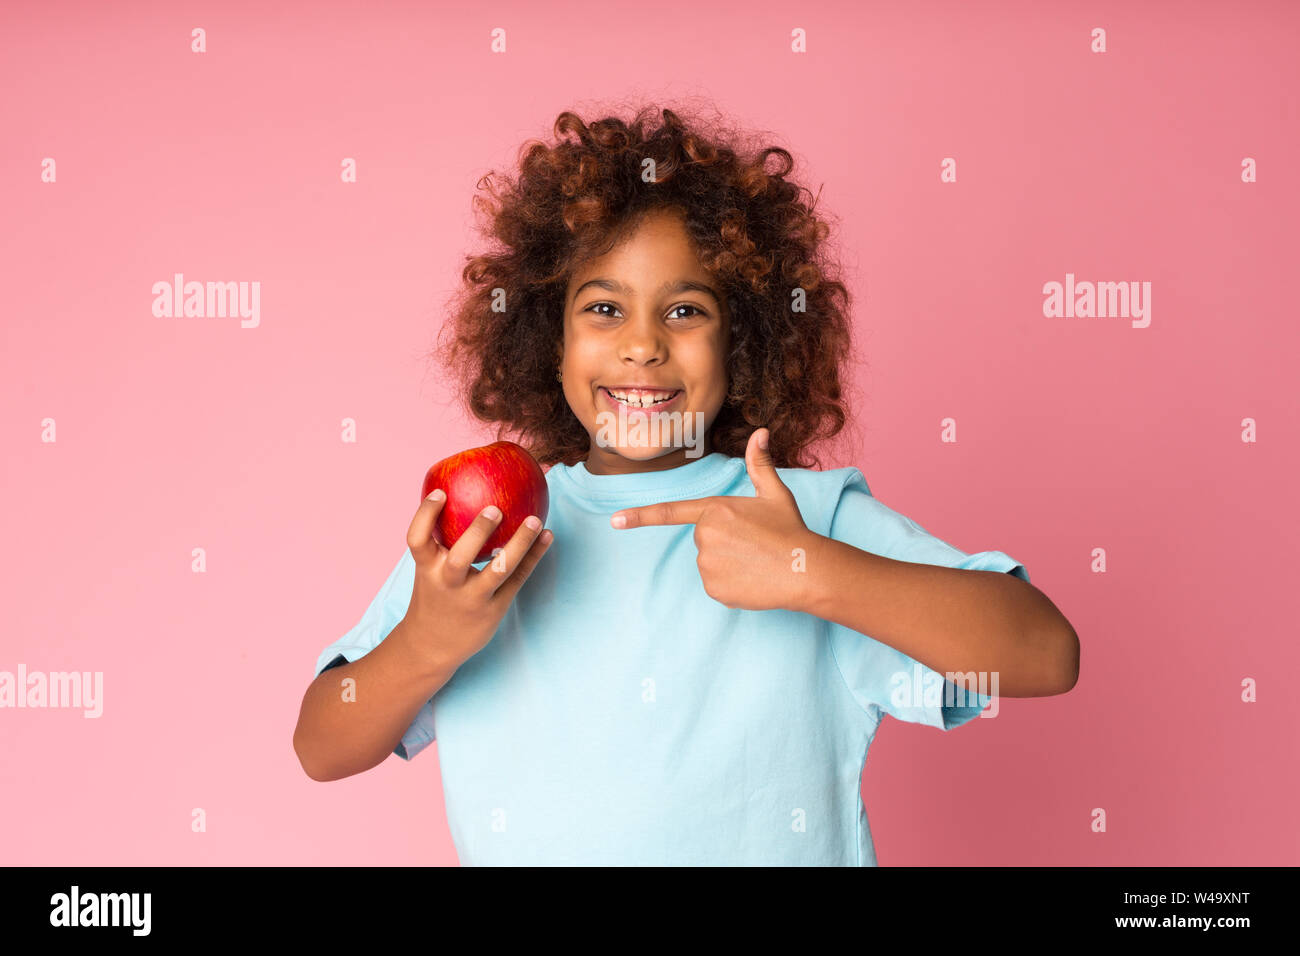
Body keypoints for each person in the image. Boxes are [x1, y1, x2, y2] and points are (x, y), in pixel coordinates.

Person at [292, 104, 1079, 865]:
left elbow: (1046, 654)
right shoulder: (490, 533)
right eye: (604, 308)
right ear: (548, 340)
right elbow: (323, 746)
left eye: (685, 311)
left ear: (747, 340)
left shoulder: (802, 518)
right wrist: (428, 642)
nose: (641, 346)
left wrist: (817, 573)